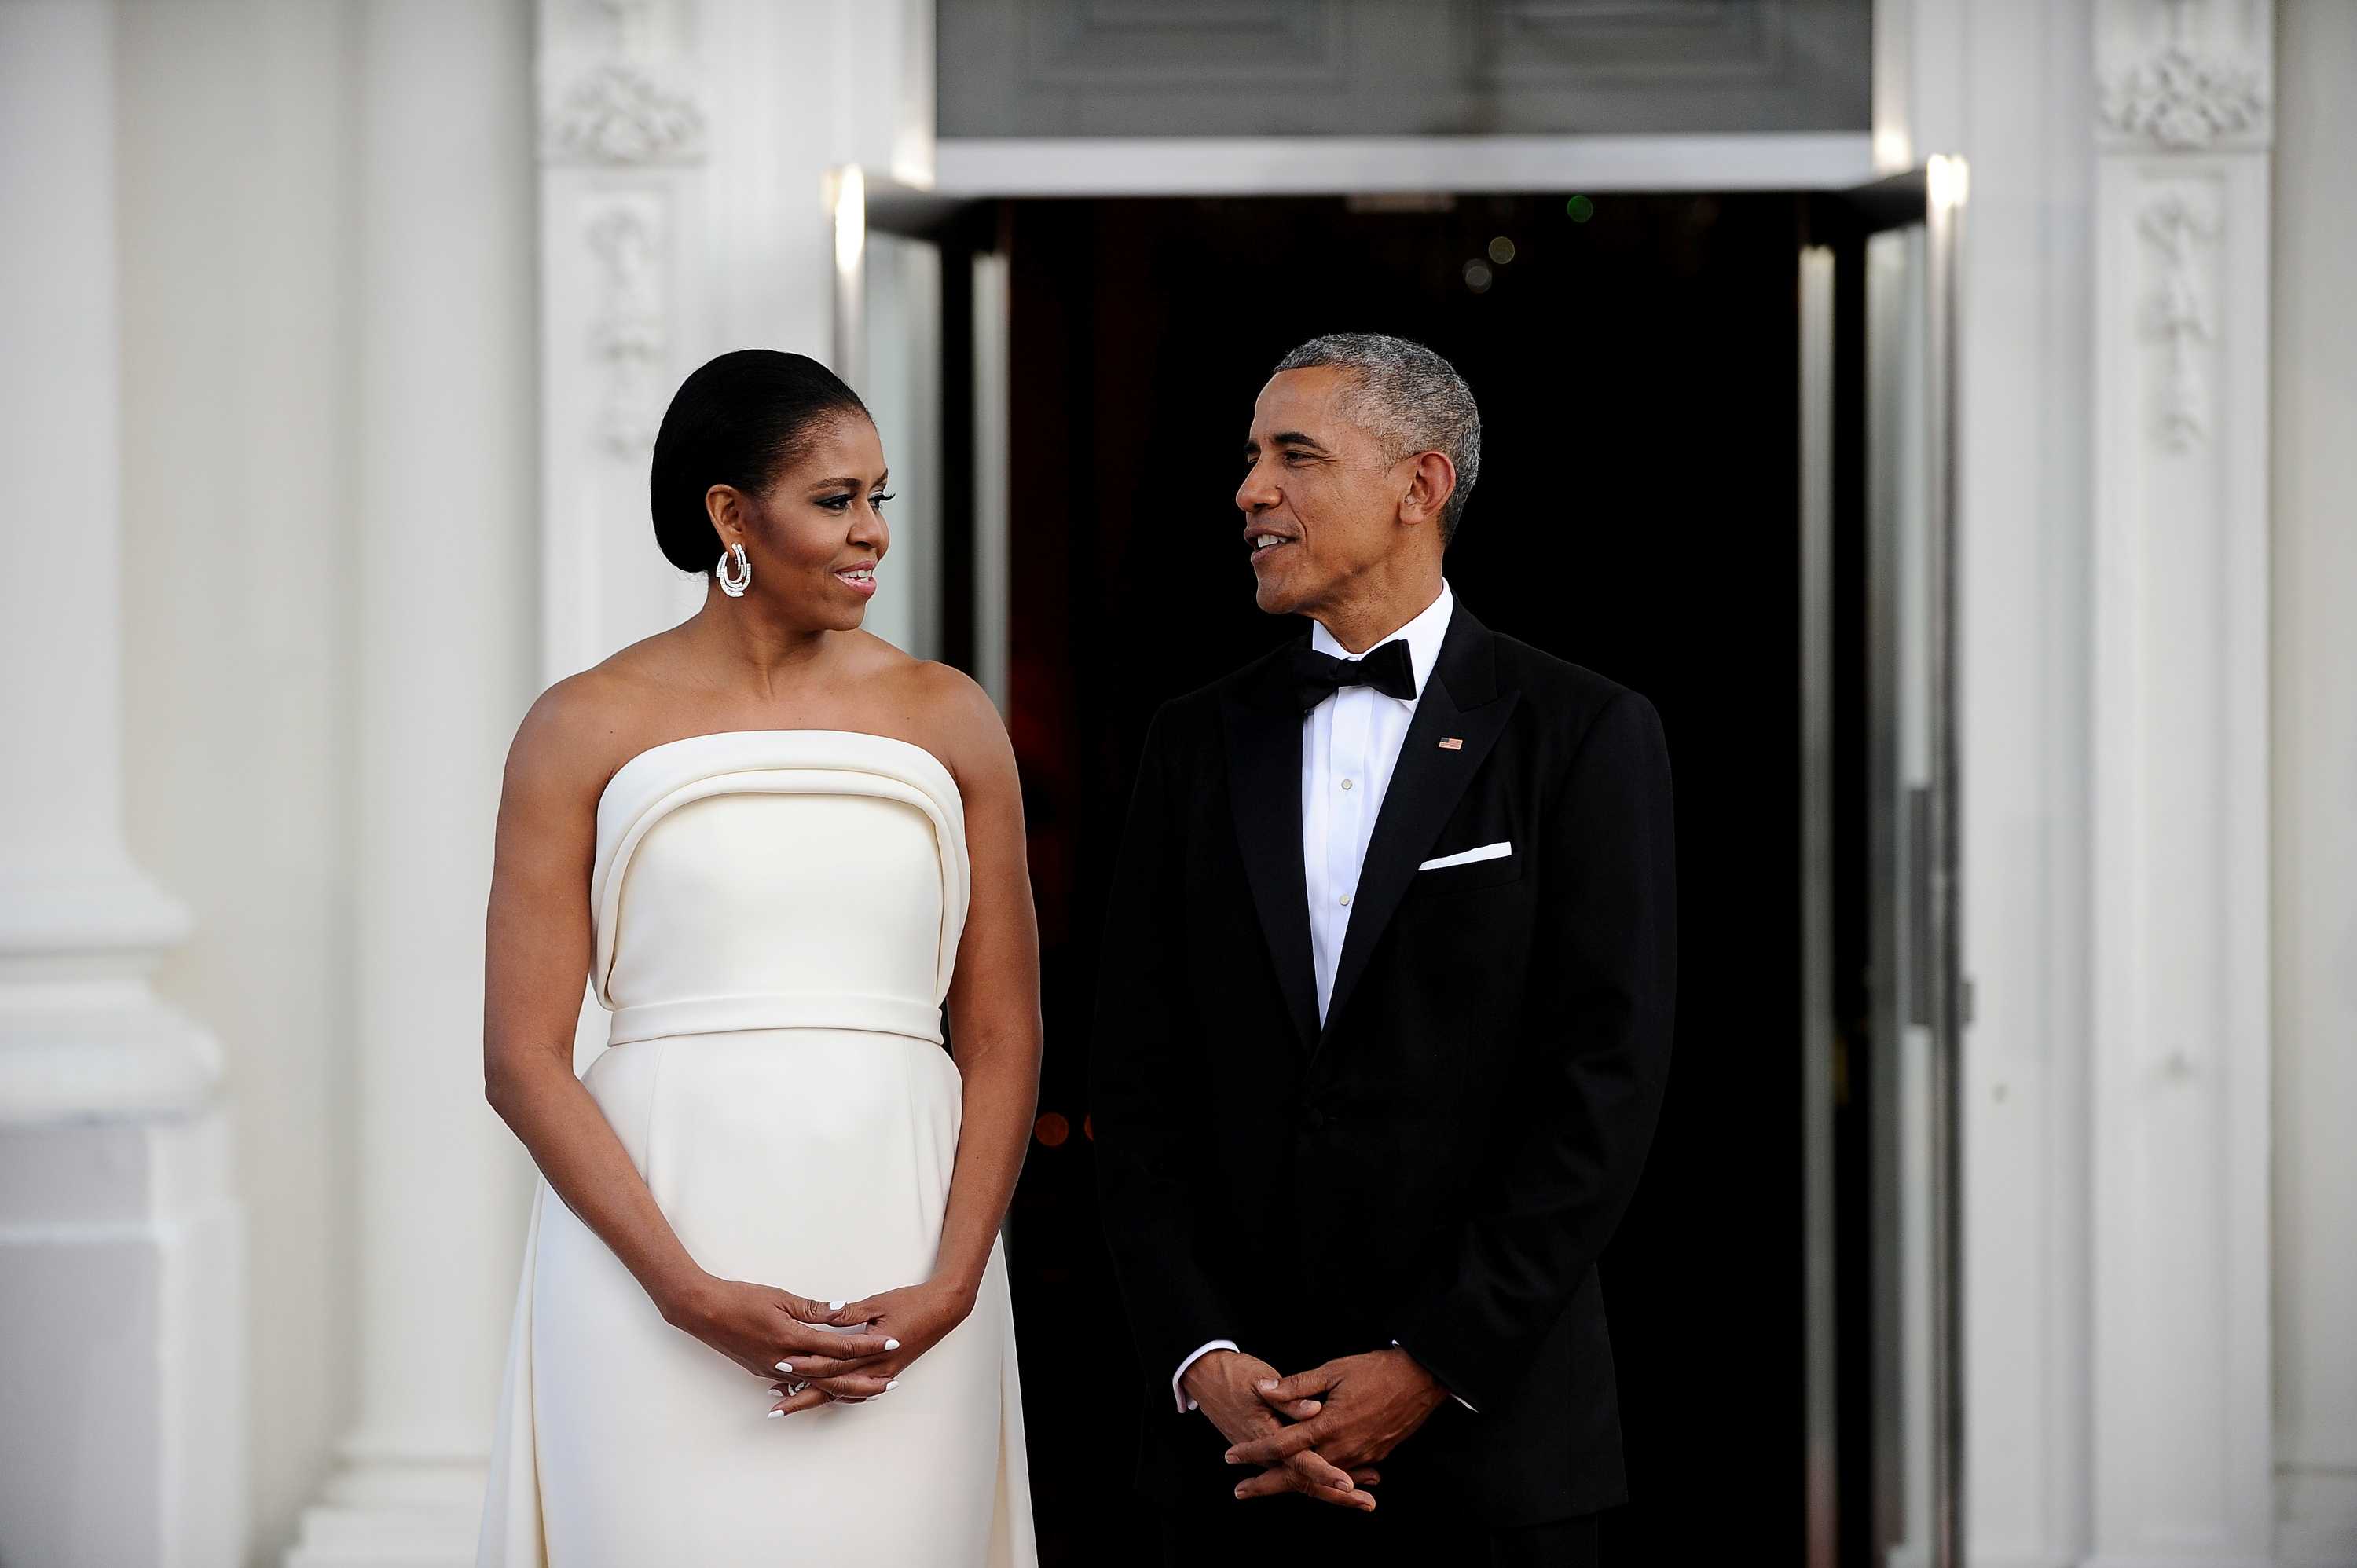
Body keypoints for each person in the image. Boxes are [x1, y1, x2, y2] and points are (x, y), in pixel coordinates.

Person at [1090, 333, 1677, 1566]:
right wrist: (1205, 1360)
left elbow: (1603, 1089)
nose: (1250, 489)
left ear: (1420, 486)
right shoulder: (1191, 742)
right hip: (1233, 1450)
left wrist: (1433, 1364)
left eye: (1293, 455)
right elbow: (1139, 1083)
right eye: (1251, 458)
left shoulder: (1583, 731)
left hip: (1496, 1442)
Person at [476, 350, 1039, 1566]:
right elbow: (522, 1057)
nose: (873, 534)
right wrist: (681, 1290)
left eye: (879, 497)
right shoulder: (582, 724)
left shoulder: (949, 717)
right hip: (651, 1261)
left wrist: (951, 1285)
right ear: (732, 515)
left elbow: (1000, 1034)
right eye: (835, 500)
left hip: (907, 1254)